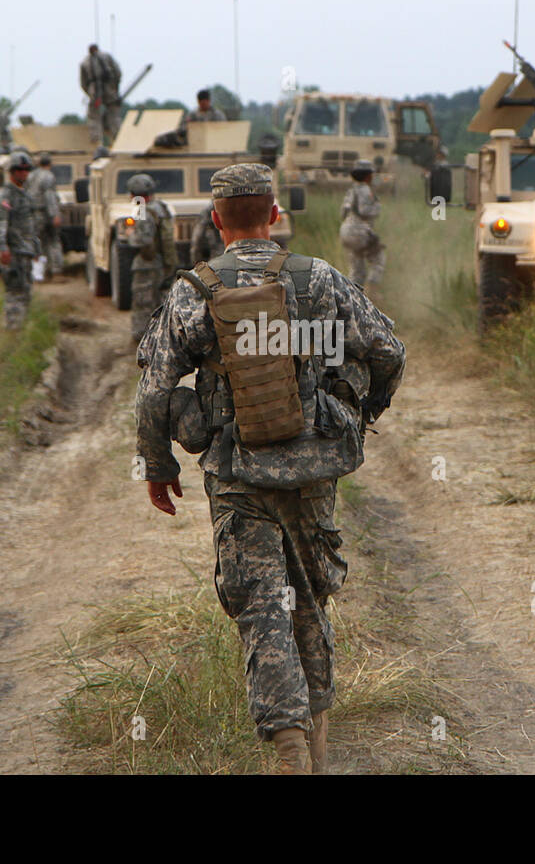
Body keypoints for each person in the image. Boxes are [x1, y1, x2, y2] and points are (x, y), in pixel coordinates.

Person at [134, 163, 406, 774]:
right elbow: (388, 352)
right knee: (308, 600)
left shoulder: (194, 290)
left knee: (262, 607)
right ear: (276, 216)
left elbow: (154, 392)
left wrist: (157, 464)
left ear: (215, 221)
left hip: (238, 476)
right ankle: (316, 748)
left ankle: (288, 753)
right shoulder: (321, 279)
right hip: (312, 476)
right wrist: (356, 416)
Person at [0, 150, 38, 330]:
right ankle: (12, 330)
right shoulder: (5, 196)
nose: (24, 173)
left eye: (27, 169)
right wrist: (2, 248)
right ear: (12, 172)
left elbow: (30, 224)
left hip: (24, 251)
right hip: (14, 252)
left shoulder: (23, 194)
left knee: (25, 293)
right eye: (20, 170)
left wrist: (36, 248)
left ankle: (20, 330)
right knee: (15, 294)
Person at [124, 172, 177, 342]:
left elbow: (144, 240)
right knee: (160, 302)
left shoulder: (144, 212)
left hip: (148, 264)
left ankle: (142, 339)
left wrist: (130, 234)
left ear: (134, 194)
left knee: (143, 302)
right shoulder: (161, 208)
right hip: (162, 262)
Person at [338, 160, 384, 291]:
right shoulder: (365, 190)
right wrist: (377, 208)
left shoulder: (351, 191)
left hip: (346, 230)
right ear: (368, 175)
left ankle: (353, 294)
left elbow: (342, 213)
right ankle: (373, 292)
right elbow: (365, 211)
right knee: (378, 260)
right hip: (359, 231)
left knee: (357, 269)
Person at [27, 152, 63, 279]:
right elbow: (50, 197)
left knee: (37, 243)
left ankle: (38, 274)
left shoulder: (30, 176)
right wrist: (55, 215)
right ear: (50, 163)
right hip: (46, 213)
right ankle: (56, 271)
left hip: (33, 214)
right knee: (53, 241)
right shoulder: (48, 176)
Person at [80, 43, 123, 146]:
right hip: (109, 90)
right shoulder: (107, 57)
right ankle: (118, 138)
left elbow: (83, 83)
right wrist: (115, 88)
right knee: (113, 115)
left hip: (95, 92)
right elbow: (118, 73)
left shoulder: (85, 62)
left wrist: (90, 93)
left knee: (94, 117)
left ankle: (97, 141)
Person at [189, 200, 224, 266]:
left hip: (217, 260)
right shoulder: (244, 202)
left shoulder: (210, 209)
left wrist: (197, 263)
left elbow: (198, 238)